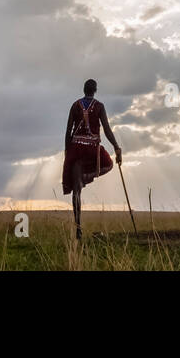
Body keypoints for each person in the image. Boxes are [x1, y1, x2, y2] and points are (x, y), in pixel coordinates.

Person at [62, 78, 121, 239]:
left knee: (76, 191)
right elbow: (107, 129)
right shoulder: (99, 106)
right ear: (95, 90)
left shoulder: (75, 105)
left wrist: (67, 153)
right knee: (108, 164)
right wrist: (116, 147)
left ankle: (78, 228)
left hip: (75, 149)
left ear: (84, 89)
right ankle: (85, 177)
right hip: (91, 150)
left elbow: (68, 132)